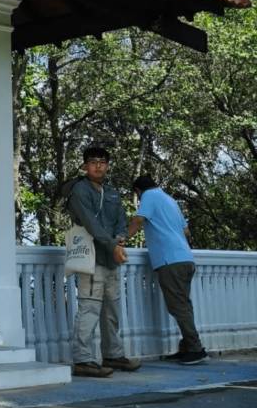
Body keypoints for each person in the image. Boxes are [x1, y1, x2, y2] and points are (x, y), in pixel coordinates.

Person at [61, 146, 141, 377]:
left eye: (103, 162)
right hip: (91, 257)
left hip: (111, 259)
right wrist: (112, 245)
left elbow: (121, 220)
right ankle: (83, 359)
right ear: (85, 166)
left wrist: (121, 238)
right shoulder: (79, 190)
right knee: (89, 308)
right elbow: (90, 223)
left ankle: (113, 355)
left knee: (112, 309)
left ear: (107, 165)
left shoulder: (112, 192)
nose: (98, 166)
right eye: (93, 161)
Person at [128, 175, 208, 365]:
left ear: (138, 191)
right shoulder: (170, 200)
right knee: (184, 305)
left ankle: (196, 349)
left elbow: (139, 221)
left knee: (178, 306)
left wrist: (120, 239)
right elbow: (186, 231)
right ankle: (186, 347)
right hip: (185, 258)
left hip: (170, 260)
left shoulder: (149, 197)